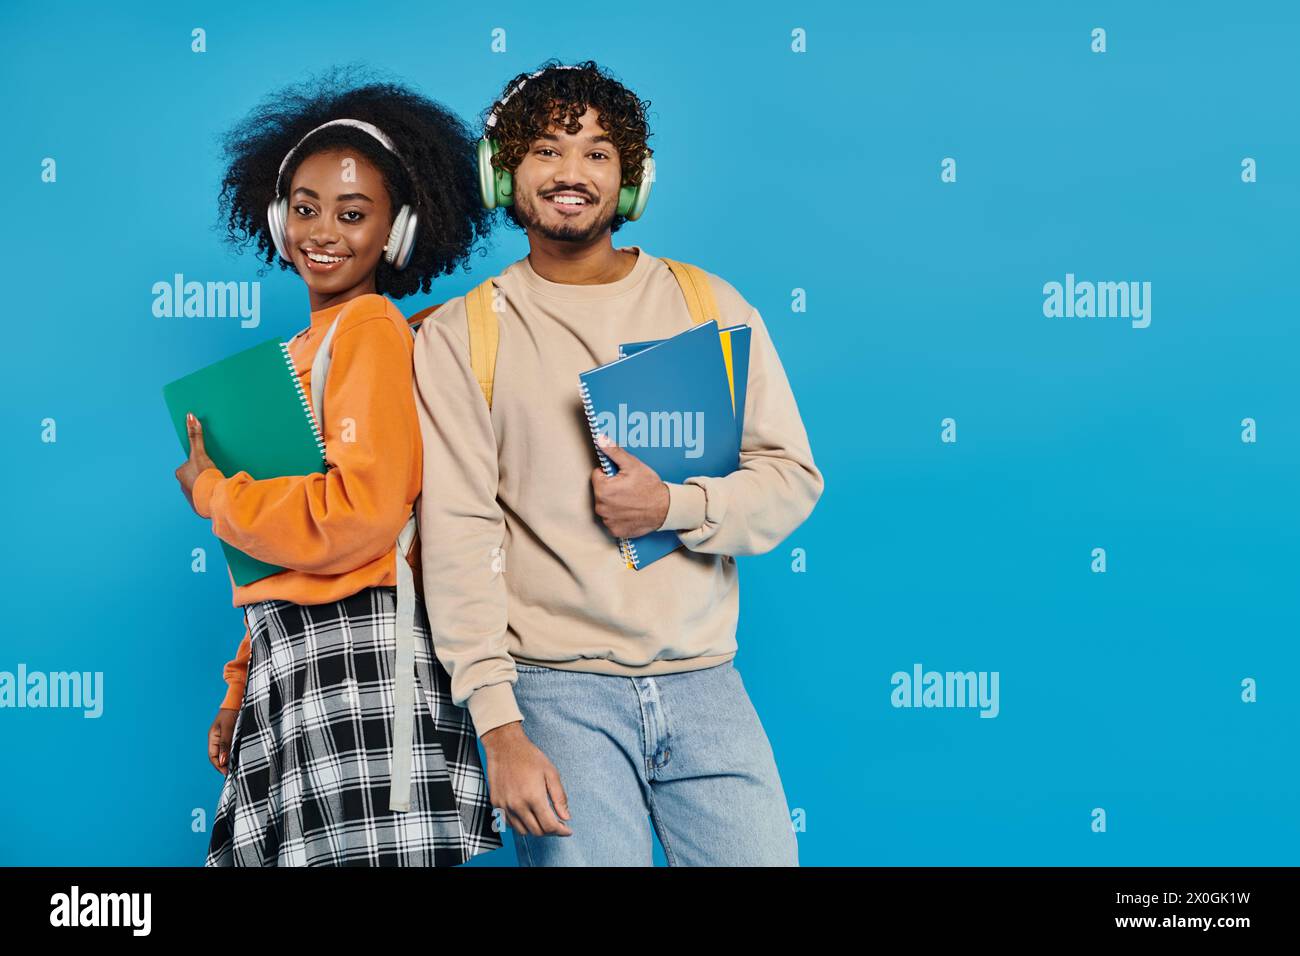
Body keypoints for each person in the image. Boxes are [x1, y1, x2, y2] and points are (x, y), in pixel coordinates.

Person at [412, 60, 824, 866]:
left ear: (630, 180)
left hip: (708, 681)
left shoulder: (711, 305)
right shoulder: (464, 335)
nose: (572, 173)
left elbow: (790, 478)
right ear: (503, 173)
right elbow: (458, 534)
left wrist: (673, 506)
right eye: (546, 151)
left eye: (598, 153)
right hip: (554, 690)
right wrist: (500, 727)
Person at [172, 71, 500, 866]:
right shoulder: (298, 356)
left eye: (354, 214)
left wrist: (217, 493)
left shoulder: (370, 331)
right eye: (307, 208)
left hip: (355, 652)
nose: (324, 231)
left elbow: (360, 517)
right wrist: (240, 686)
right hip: (293, 653)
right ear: (279, 217)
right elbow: (282, 557)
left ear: (398, 230)